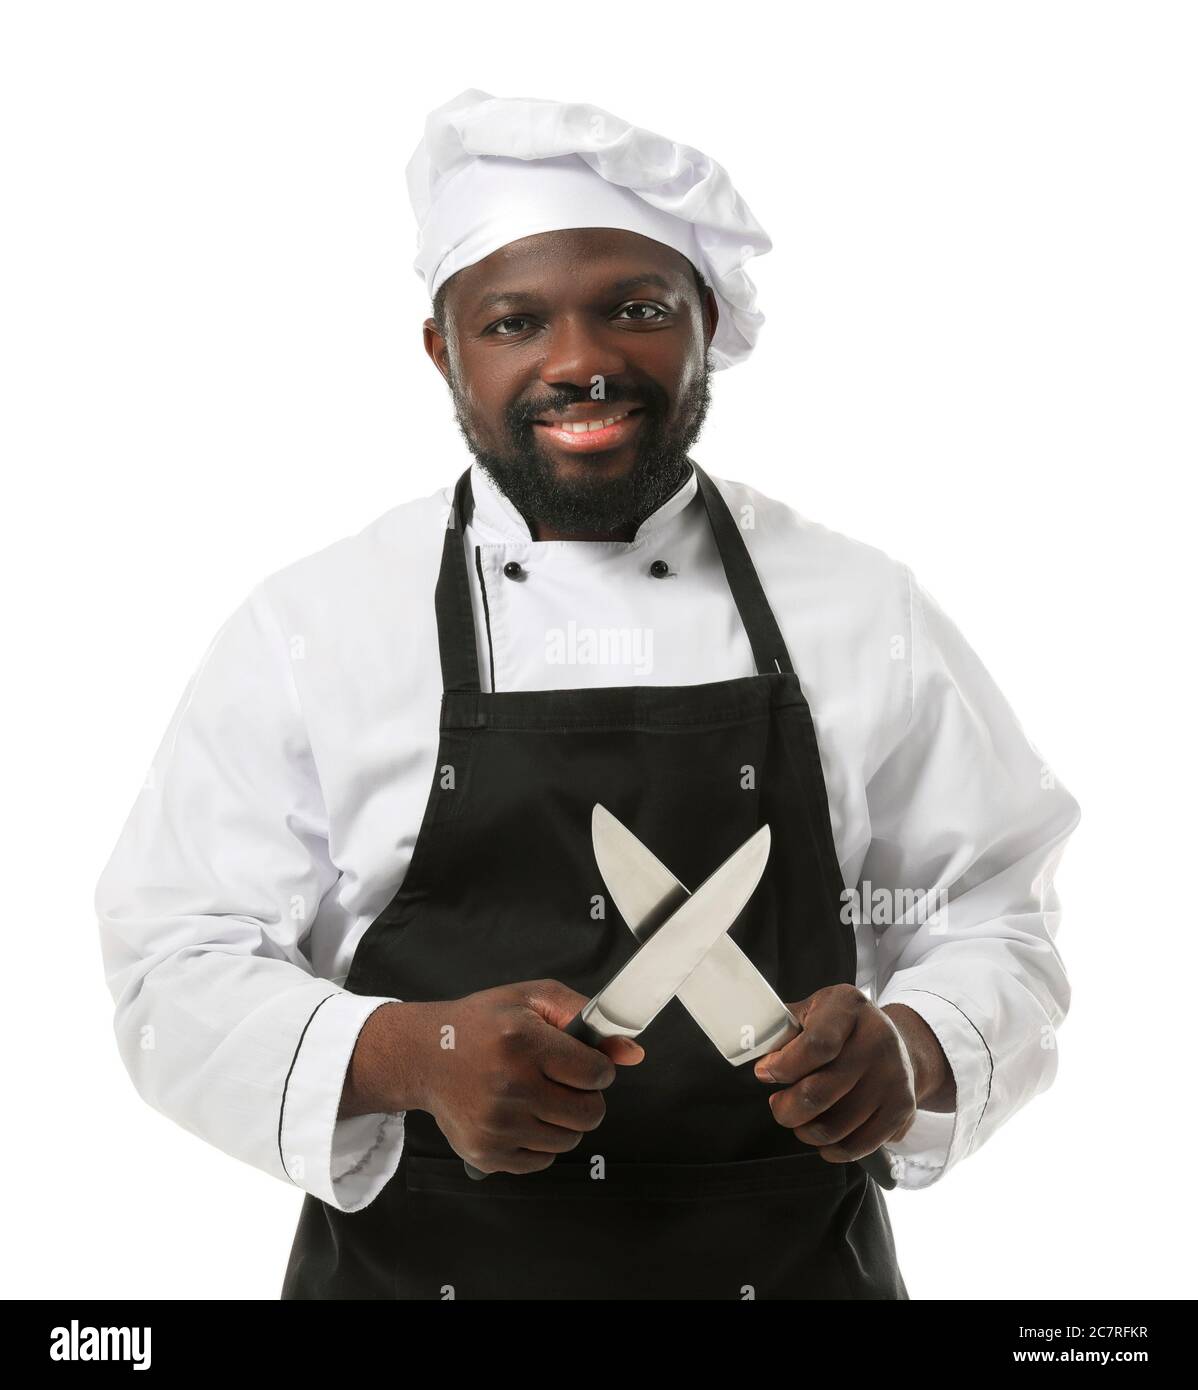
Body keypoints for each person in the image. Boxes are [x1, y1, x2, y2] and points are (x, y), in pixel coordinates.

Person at [96, 90, 1081, 1301]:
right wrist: (412, 1050)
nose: (580, 363)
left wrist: (913, 1045)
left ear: (703, 325)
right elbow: (171, 966)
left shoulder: (860, 610)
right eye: (514, 321)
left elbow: (996, 915)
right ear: (442, 349)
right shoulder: (316, 625)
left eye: (635, 309)